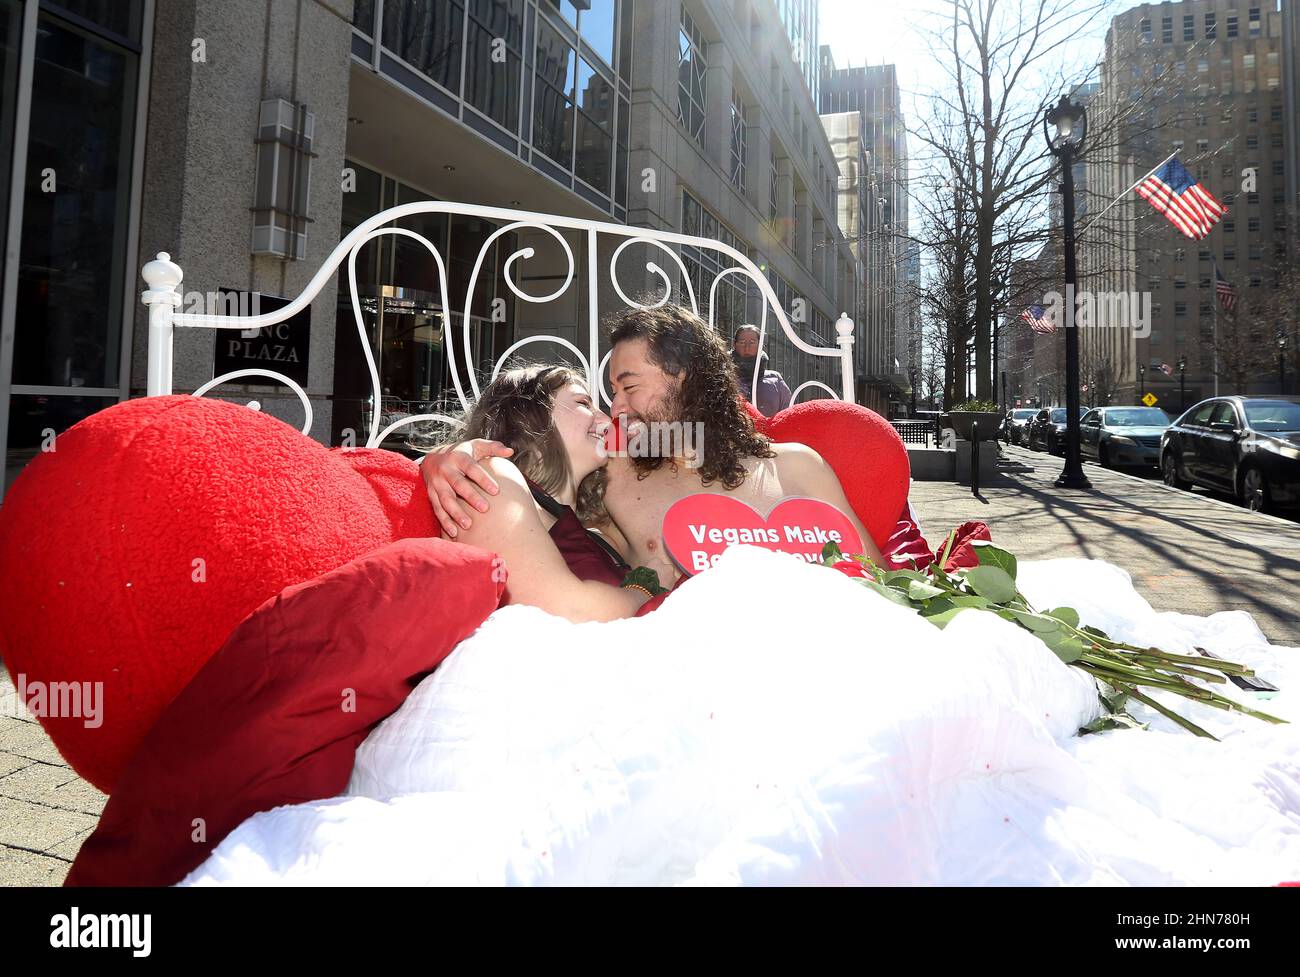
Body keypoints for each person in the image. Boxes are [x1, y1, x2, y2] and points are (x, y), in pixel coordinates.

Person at [423, 305, 884, 586]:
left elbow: (883, 584)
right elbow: (531, 486)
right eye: (609, 393)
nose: (615, 408)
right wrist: (445, 458)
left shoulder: (798, 467)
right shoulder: (612, 477)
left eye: (628, 387)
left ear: (683, 377)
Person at [429, 364, 652, 623]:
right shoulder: (493, 477)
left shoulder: (601, 535)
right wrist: (645, 591)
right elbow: (564, 609)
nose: (605, 419)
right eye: (583, 402)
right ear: (529, 416)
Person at [731, 324, 792, 418]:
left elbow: (789, 417)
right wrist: (699, 433)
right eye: (742, 342)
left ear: (760, 344)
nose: (747, 348)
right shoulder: (722, 378)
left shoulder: (775, 381)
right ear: (734, 344)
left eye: (752, 342)